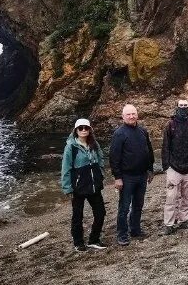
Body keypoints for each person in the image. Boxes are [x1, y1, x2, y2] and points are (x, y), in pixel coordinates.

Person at [109, 105, 155, 245]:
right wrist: (117, 177)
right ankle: (122, 234)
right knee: (124, 206)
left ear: (137, 115)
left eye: (133, 114)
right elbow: (114, 157)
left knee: (138, 205)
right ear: (123, 117)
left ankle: (135, 229)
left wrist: (150, 169)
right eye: (128, 114)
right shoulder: (119, 133)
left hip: (142, 175)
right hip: (126, 177)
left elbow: (149, 151)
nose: (131, 116)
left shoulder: (143, 131)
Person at [61, 118, 107, 252]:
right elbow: (66, 168)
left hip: (94, 186)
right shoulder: (71, 147)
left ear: (90, 129)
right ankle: (78, 242)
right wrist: (67, 188)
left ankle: (94, 240)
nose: (83, 130)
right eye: (80, 128)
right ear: (76, 130)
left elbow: (100, 159)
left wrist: (101, 175)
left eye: (86, 128)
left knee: (100, 213)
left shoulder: (94, 144)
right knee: (77, 216)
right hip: (78, 187)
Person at [161, 99, 188, 235]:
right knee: (171, 197)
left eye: (185, 106)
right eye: (181, 106)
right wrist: (166, 165)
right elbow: (165, 146)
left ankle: (184, 220)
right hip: (174, 167)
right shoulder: (170, 125)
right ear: (176, 107)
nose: (183, 108)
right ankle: (169, 224)